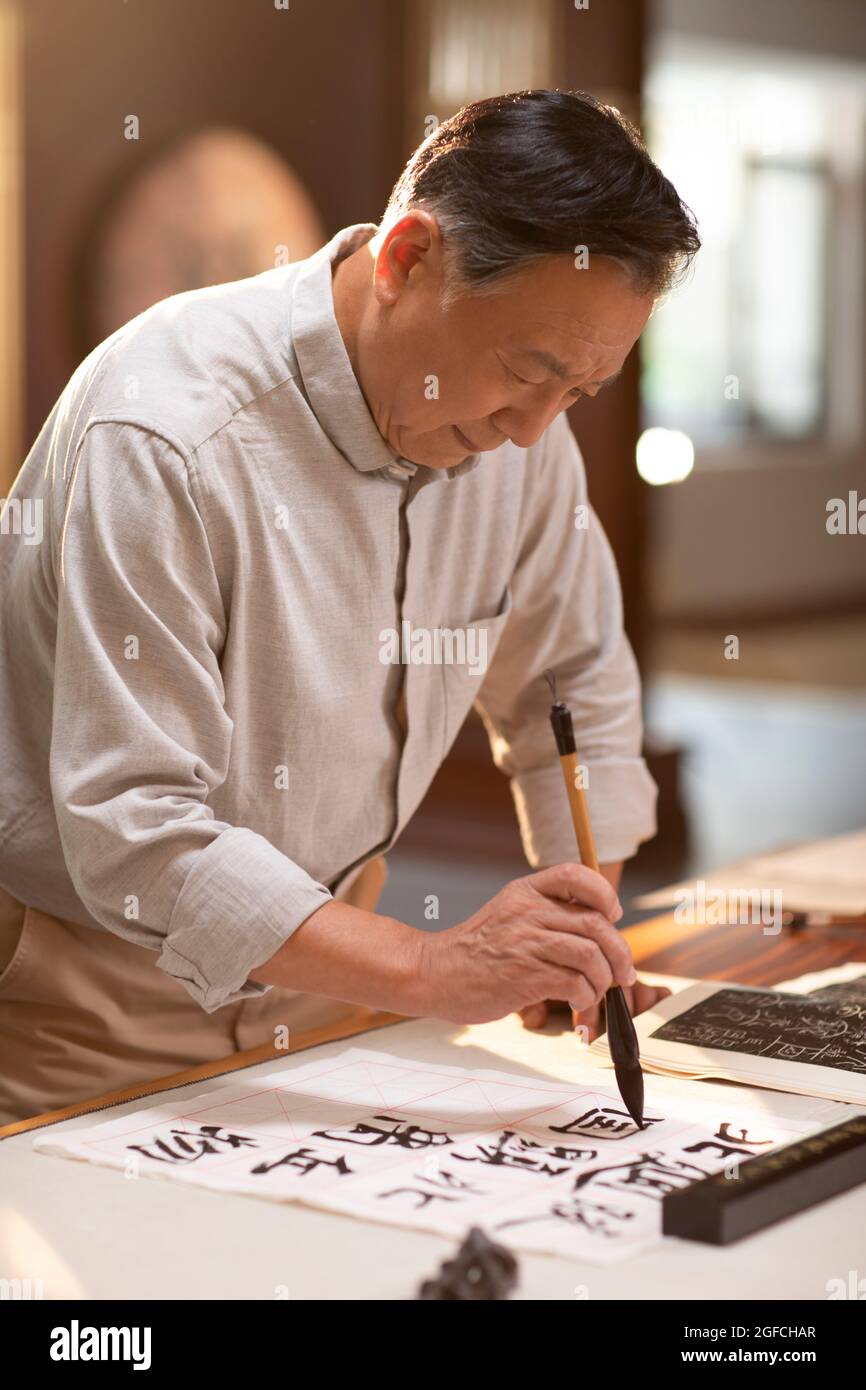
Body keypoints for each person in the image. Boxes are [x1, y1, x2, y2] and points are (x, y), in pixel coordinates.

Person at [0, 89, 699, 1123]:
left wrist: (575, 904)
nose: (531, 431)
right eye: (524, 373)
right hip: (90, 1000)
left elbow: (570, 674)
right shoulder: (162, 433)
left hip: (332, 979)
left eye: (577, 394)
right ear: (408, 257)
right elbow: (138, 835)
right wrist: (430, 964)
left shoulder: (523, 439)